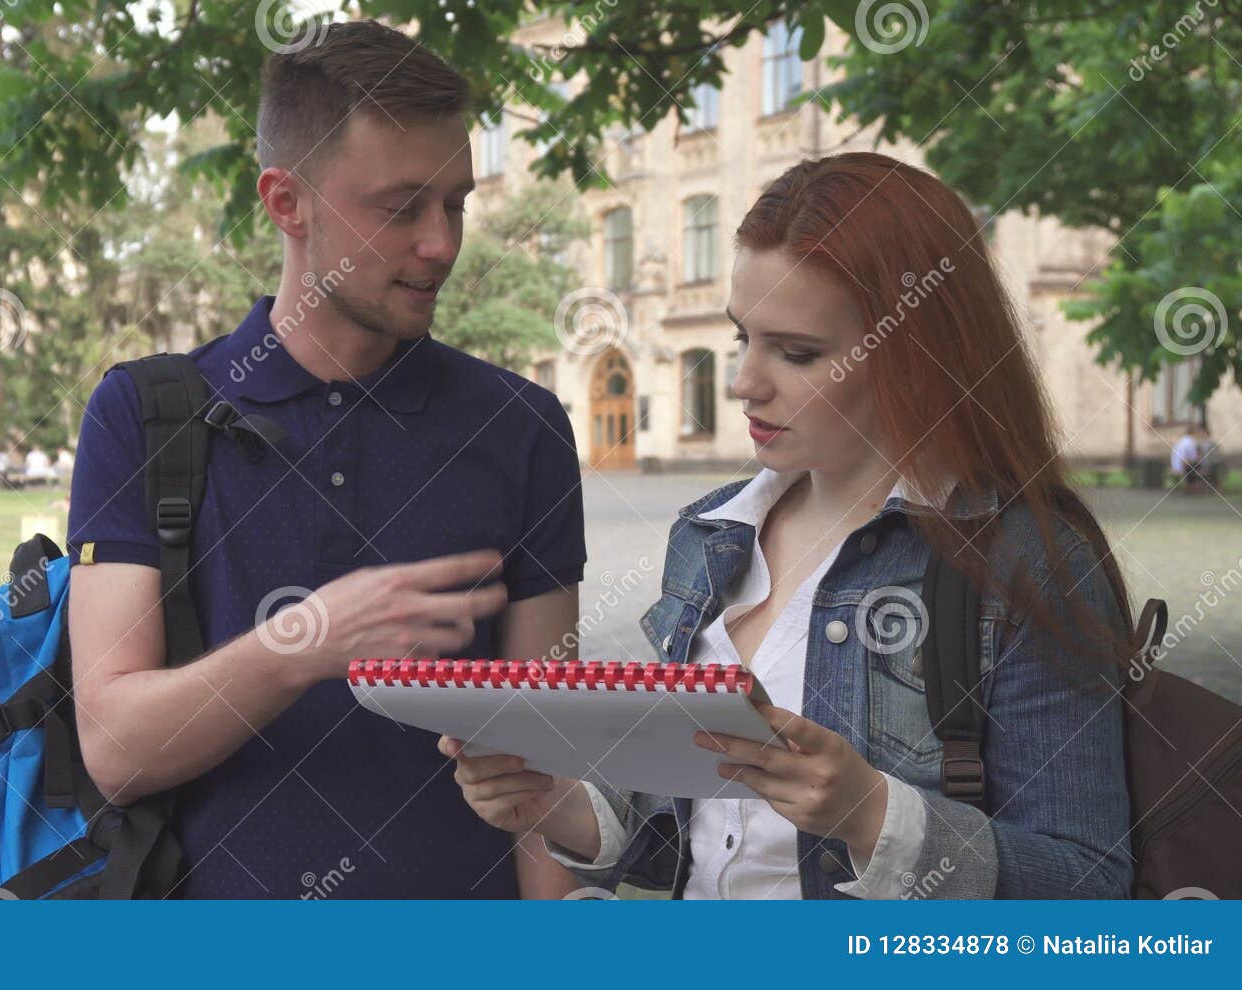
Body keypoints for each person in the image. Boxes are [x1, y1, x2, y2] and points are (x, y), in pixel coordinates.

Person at [443, 152, 1136, 899]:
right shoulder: (710, 534)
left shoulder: (1022, 557)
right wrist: (557, 805)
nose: (744, 382)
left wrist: (872, 816)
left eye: (797, 353)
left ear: (918, 356)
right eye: (743, 337)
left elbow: (1091, 890)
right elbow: (689, 832)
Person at [66, 20, 585, 899]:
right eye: (401, 207)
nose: (442, 244)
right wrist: (304, 644)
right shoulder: (143, 416)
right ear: (285, 202)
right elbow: (115, 750)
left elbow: (543, 763)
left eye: (456, 203)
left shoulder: (521, 426)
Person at [1171, 427, 1202, 493]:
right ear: (1193, 433)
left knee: (1191, 466)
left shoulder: (1180, 440)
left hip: (1175, 466)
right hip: (1183, 466)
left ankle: (1190, 487)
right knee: (1197, 466)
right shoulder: (1191, 441)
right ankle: (1192, 488)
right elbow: (1193, 456)